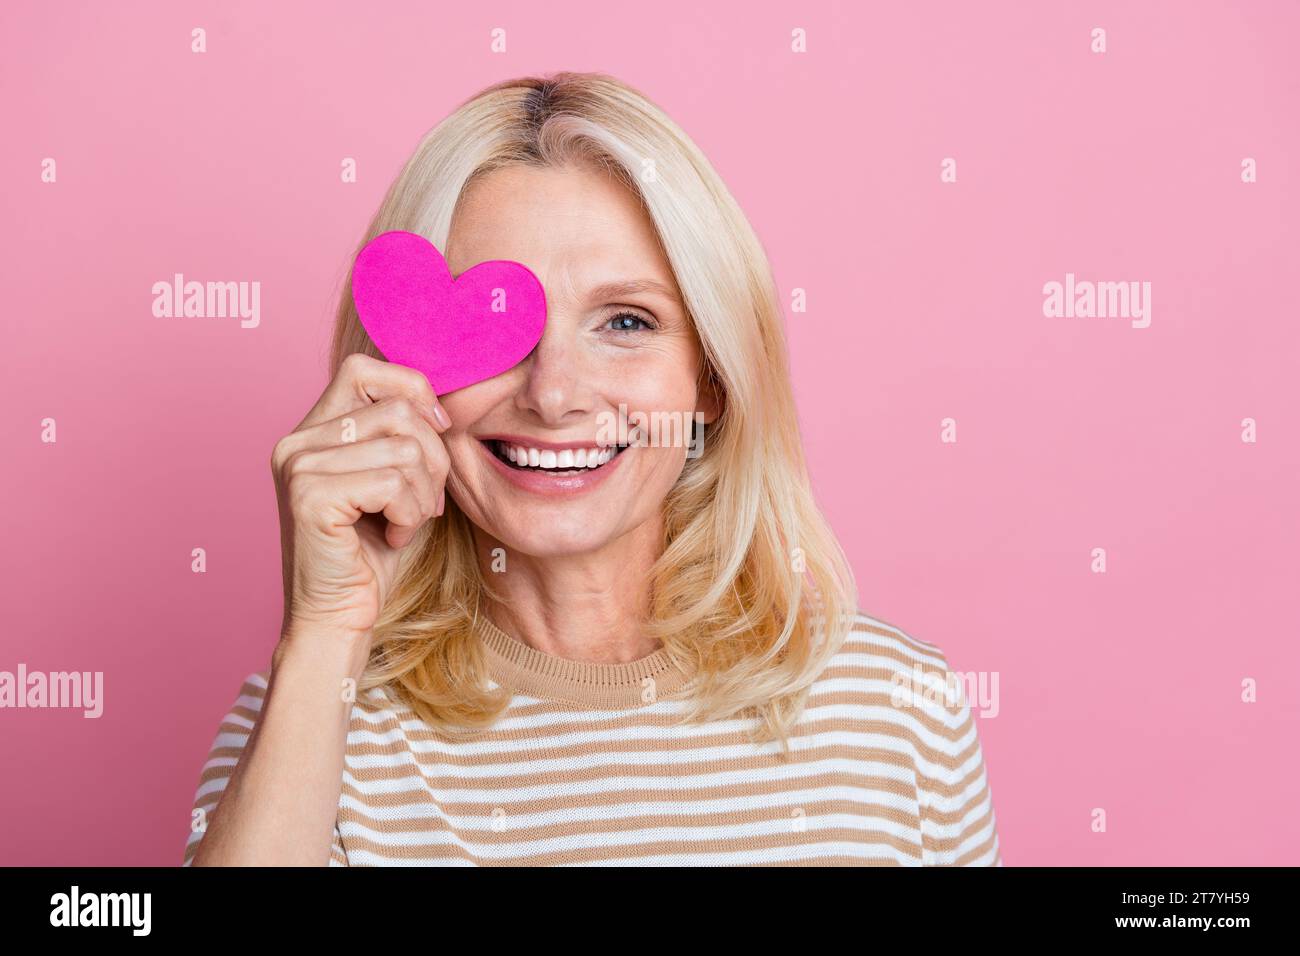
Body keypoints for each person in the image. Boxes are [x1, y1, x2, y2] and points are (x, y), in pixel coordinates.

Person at [184, 71, 1002, 866]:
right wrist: (326, 636)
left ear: (711, 378)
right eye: (498, 325)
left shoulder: (900, 710)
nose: (554, 395)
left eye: (625, 320)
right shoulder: (308, 726)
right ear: (402, 368)